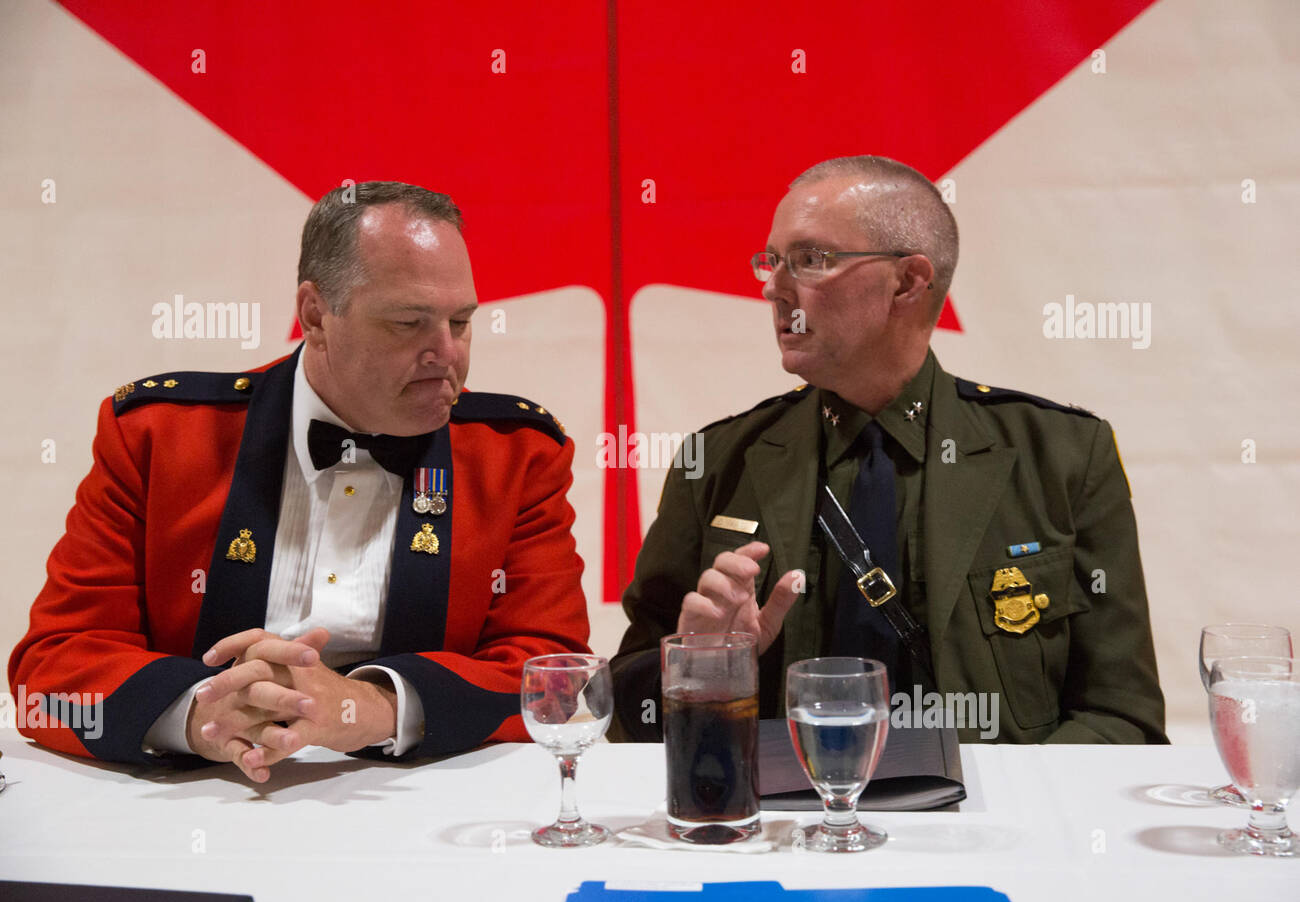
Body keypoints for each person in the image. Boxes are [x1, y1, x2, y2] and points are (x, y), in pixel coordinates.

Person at [9, 182, 590, 782]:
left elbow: (555, 677)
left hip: (425, 807)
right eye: (408, 322)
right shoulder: (159, 436)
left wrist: (380, 707)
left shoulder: (516, 454)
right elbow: (51, 669)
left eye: (462, 322)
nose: (448, 354)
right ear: (315, 315)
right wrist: (198, 715)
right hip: (196, 799)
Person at [611, 155, 1166, 745]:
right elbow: (627, 710)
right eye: (772, 261)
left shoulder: (1061, 454)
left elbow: (1121, 717)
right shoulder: (718, 459)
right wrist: (701, 671)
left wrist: (1013, 818)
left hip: (989, 826)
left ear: (908, 281)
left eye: (810, 260)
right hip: (783, 826)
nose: (773, 287)